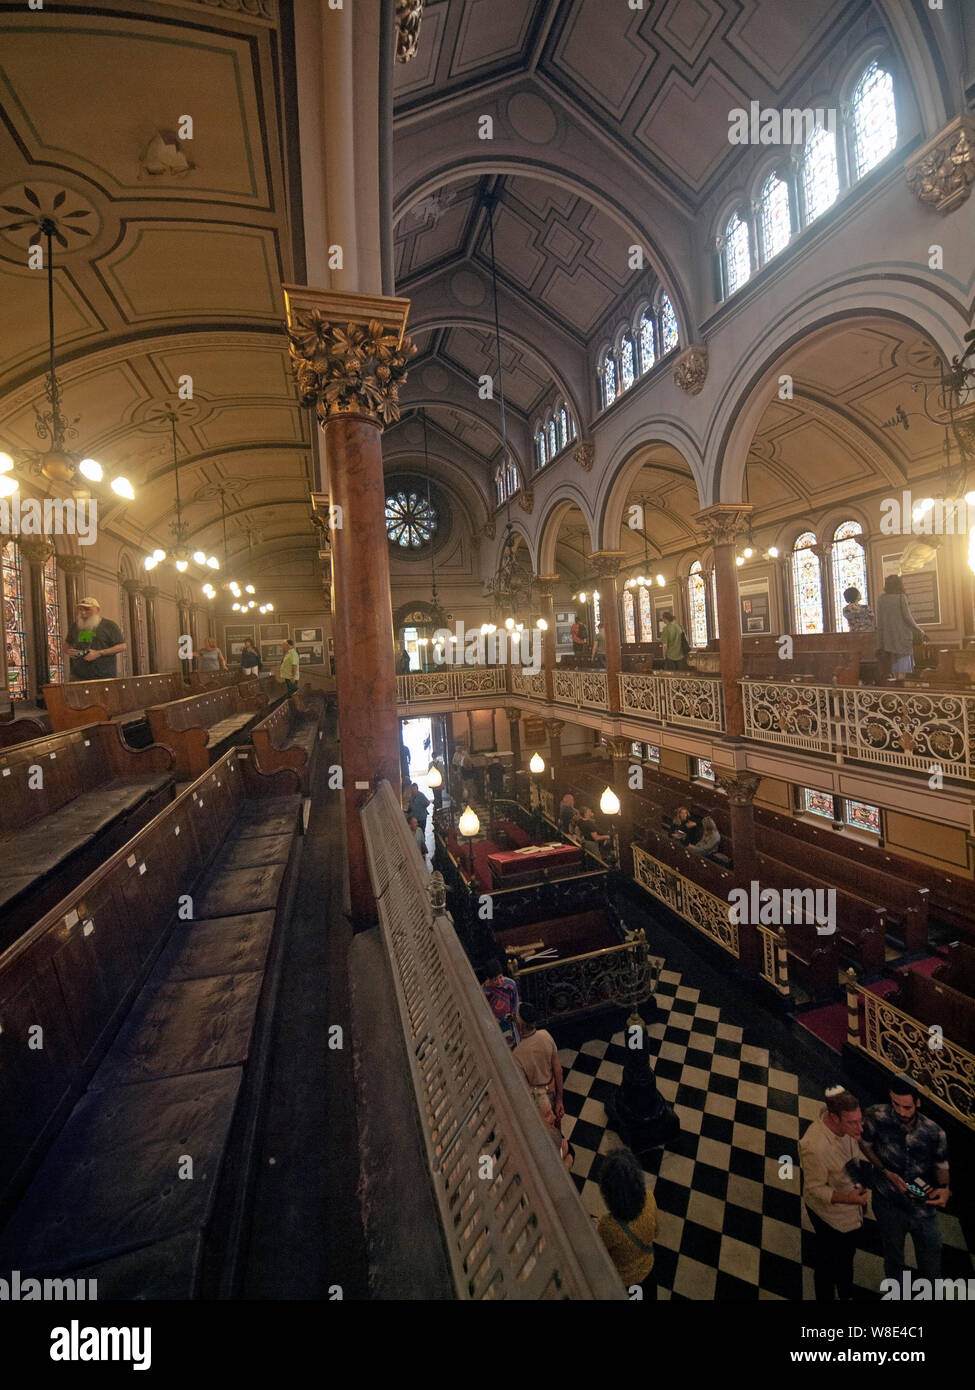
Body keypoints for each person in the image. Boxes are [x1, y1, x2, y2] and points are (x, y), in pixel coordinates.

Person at [860, 1076, 950, 1283]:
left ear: (918, 1102)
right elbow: (864, 1145)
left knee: (931, 1261)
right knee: (893, 1257)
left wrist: (944, 1187)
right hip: (888, 1202)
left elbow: (941, 1165)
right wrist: (884, 1170)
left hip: (922, 1205)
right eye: (896, 1104)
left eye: (907, 1107)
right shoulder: (875, 1116)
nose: (901, 1112)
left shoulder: (934, 1132)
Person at [798, 1086, 870, 1301]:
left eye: (860, 1120)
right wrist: (850, 1199)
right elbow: (814, 1189)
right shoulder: (814, 1146)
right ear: (833, 1118)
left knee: (846, 1259)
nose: (860, 1128)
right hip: (829, 1217)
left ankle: (846, 1292)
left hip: (851, 1211)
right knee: (827, 1264)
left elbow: (851, 1158)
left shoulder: (849, 1129)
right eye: (852, 1122)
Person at [605, 1021, 679, 1158]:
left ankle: (638, 1070)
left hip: (640, 1075)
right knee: (636, 1052)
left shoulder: (636, 1030)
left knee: (637, 1051)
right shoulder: (634, 1030)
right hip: (636, 1076)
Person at [597, 1147, 658, 1298]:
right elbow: (656, 1231)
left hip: (623, 1282)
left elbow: (601, 1256)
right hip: (648, 1270)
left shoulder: (607, 1226)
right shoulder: (650, 1199)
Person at [512, 1001, 564, 1121]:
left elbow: (525, 1090)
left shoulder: (517, 1054)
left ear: (520, 1025)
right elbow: (558, 1070)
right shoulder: (546, 1035)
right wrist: (559, 1100)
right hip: (553, 1092)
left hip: (538, 1101)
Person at [875, 574, 926, 683]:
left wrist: (880, 642)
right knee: (903, 668)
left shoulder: (881, 599)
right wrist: (919, 630)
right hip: (902, 637)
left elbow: (879, 621)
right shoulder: (901, 597)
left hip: (888, 638)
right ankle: (900, 693)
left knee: (894, 666)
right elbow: (908, 617)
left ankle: (895, 693)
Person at [64, 597, 127, 682]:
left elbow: (122, 646)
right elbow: (66, 646)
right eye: (81, 609)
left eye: (87, 609)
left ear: (97, 610)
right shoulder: (75, 626)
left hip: (103, 676)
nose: (83, 613)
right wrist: (70, 652)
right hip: (78, 676)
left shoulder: (109, 625)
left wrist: (99, 653)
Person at [479, 958, 520, 1049]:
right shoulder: (484, 992)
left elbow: (515, 1003)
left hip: (510, 1021)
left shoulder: (510, 985)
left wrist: (513, 1015)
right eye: (495, 979)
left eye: (500, 977)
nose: (499, 981)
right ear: (488, 979)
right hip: (495, 1025)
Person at [536, 1093, 573, 1170]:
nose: (554, 1117)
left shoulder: (552, 1133)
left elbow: (571, 1151)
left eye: (551, 1111)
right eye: (547, 1115)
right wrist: (562, 1156)